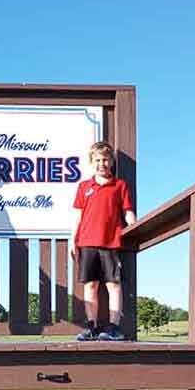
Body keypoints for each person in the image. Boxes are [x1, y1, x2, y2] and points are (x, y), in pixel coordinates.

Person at [71, 140, 136, 341]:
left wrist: (136, 228)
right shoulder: (84, 187)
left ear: (111, 162)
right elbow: (78, 216)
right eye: (98, 160)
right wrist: (73, 239)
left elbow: (128, 213)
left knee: (113, 285)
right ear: (92, 162)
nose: (102, 164)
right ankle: (91, 327)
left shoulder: (120, 186)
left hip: (111, 243)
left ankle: (113, 327)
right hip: (87, 242)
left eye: (106, 160)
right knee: (90, 285)